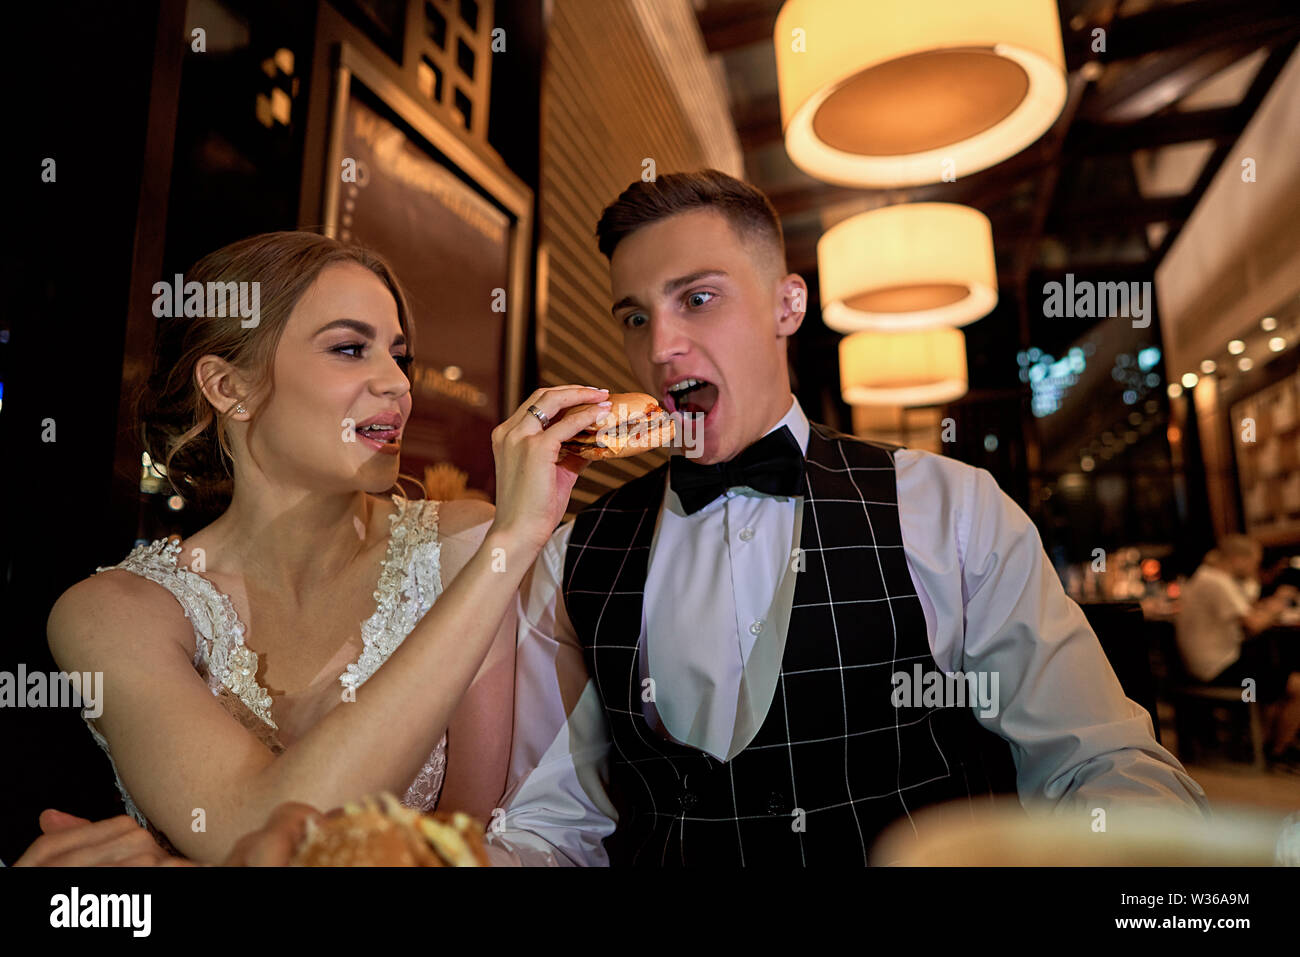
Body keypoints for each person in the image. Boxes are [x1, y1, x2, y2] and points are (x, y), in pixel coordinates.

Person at [484, 169, 1210, 867]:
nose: (659, 346)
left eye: (698, 299)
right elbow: (555, 821)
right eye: (635, 317)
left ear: (787, 306)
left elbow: (1097, 762)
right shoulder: (572, 553)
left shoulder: (954, 510)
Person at [42, 231, 611, 863]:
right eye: (349, 349)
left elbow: (466, 841)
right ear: (230, 387)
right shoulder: (111, 613)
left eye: (400, 356)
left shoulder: (466, 547)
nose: (397, 383)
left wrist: (509, 541)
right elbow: (253, 834)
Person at [1176, 535, 1300, 761]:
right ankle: (1277, 752)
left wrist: (1266, 608)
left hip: (1208, 663)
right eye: (1254, 561)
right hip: (1216, 668)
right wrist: (1280, 603)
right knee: (1296, 685)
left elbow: (1247, 612)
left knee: (1274, 667)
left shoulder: (1207, 577)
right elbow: (1253, 625)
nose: (1256, 567)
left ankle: (1264, 742)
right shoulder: (1216, 581)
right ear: (1238, 559)